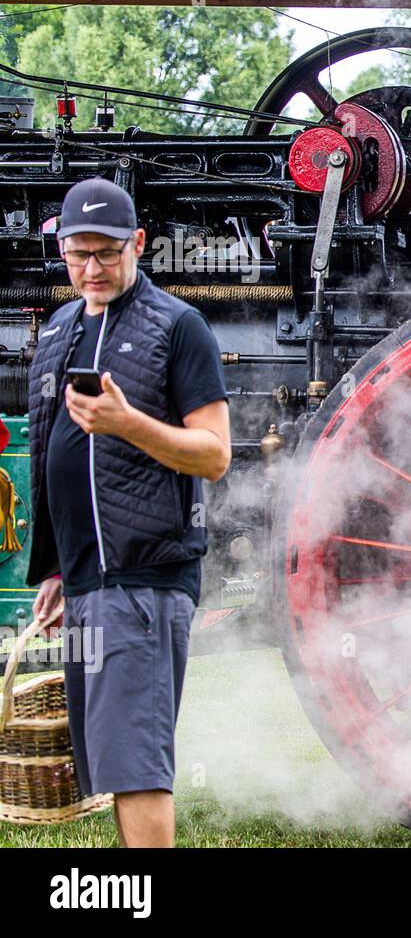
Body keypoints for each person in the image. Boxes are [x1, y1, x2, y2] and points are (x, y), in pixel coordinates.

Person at [27, 177, 231, 847]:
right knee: (113, 761)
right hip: (87, 583)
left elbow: (213, 455)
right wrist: (56, 568)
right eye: (78, 253)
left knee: (138, 765)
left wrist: (126, 423)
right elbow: (54, 452)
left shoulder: (179, 326)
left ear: (138, 243)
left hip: (143, 579)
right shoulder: (58, 328)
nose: (92, 268)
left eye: (107, 253)